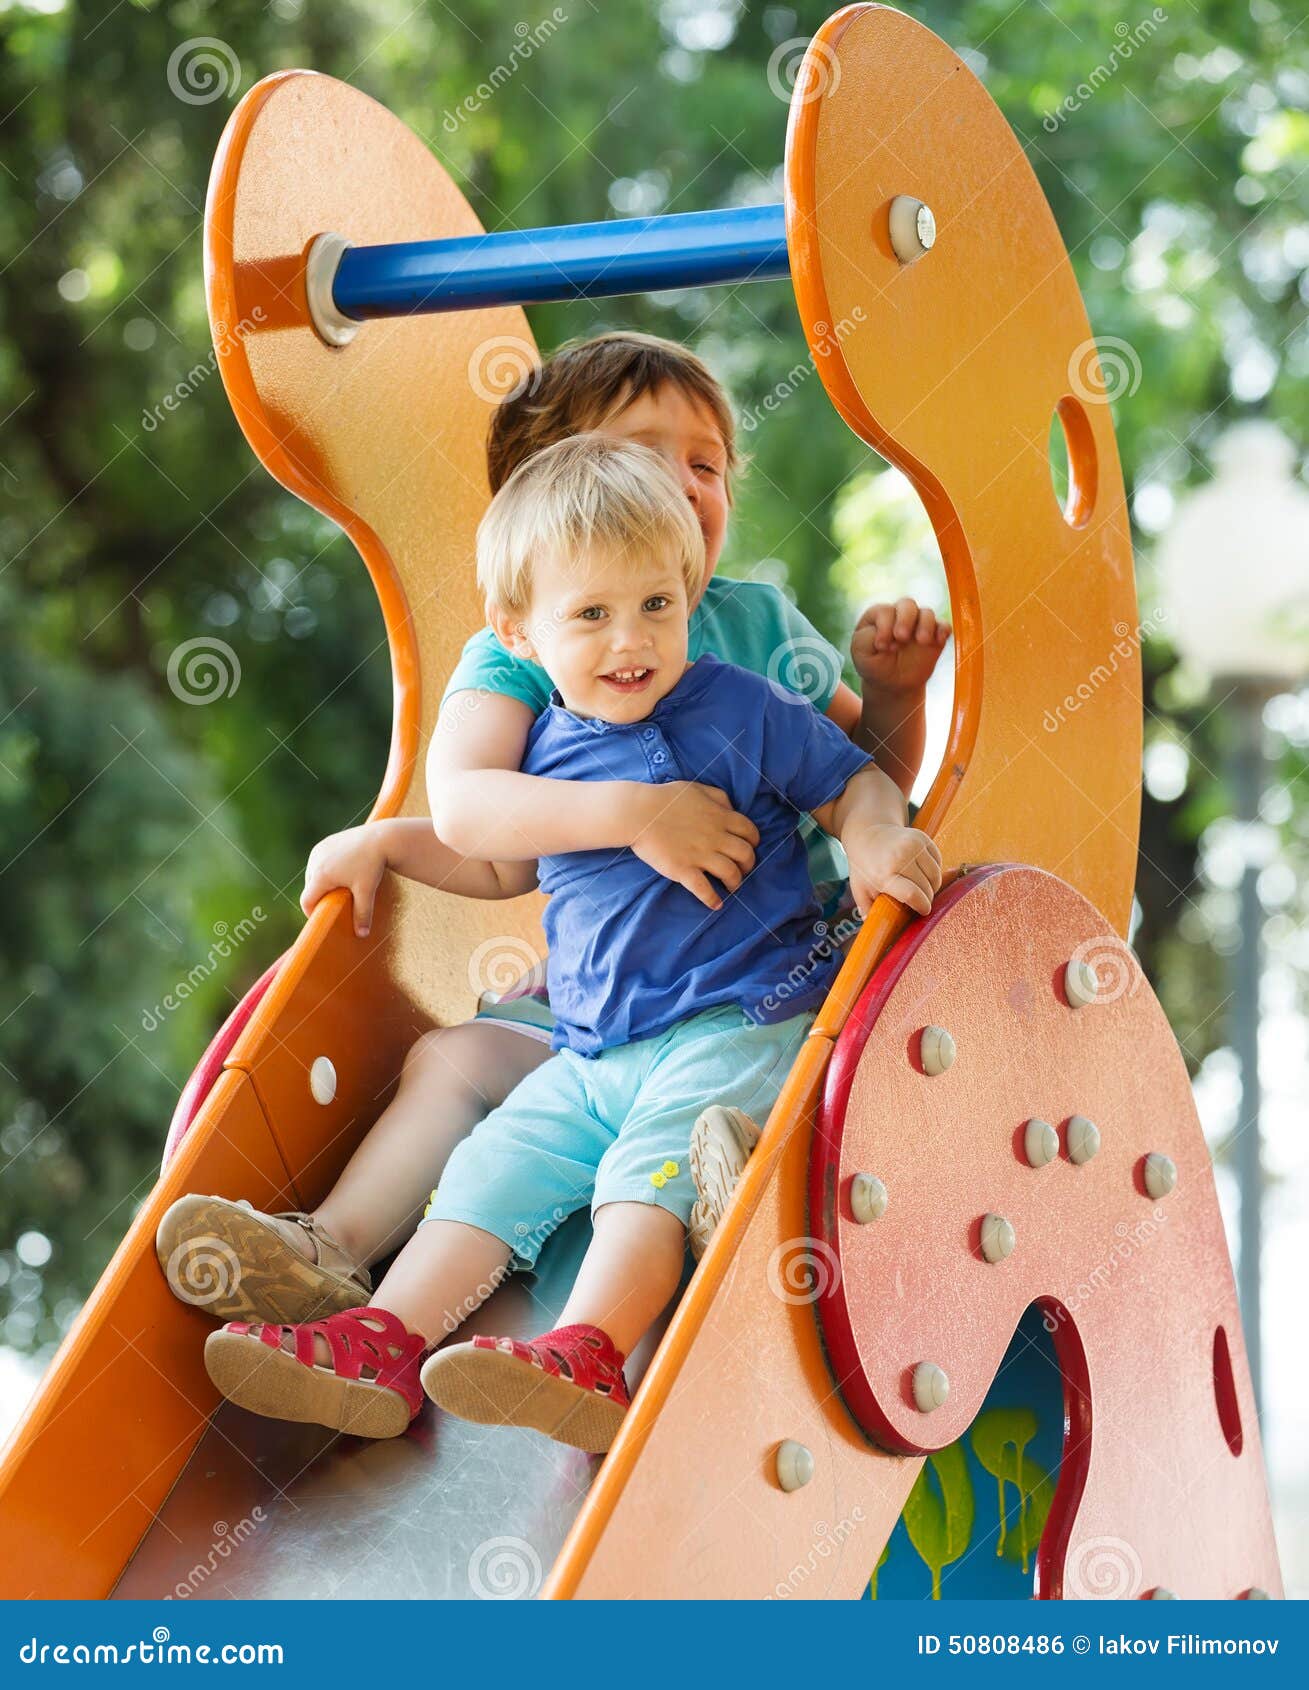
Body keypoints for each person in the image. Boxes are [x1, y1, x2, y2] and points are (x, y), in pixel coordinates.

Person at [156, 330, 951, 1329]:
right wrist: (611, 816)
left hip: (757, 977)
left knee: (693, 1085)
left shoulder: (753, 627)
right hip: (597, 999)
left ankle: (714, 1180)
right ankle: (331, 1247)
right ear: (548, 501)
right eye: (637, 455)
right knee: (450, 1062)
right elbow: (475, 807)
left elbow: (862, 780)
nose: (680, 481)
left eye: (704, 462)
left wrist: (891, 693)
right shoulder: (522, 654)